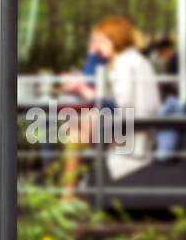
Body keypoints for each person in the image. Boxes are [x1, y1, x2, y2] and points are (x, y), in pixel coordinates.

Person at [59, 16, 162, 191]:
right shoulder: (131, 59)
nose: (97, 46)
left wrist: (84, 90)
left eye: (100, 40)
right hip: (135, 127)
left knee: (72, 132)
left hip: (133, 130)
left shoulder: (125, 62)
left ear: (113, 40)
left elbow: (121, 105)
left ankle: (67, 194)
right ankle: (73, 188)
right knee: (73, 127)